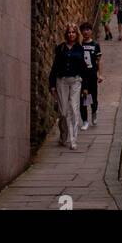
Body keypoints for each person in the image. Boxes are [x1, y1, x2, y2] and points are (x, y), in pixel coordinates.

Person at [49, 23, 85, 151]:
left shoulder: (80, 49)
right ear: (66, 34)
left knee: (74, 110)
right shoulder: (60, 48)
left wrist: (85, 87)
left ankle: (73, 140)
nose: (71, 34)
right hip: (62, 81)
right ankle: (63, 135)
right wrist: (52, 84)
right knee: (63, 112)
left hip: (75, 81)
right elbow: (55, 67)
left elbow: (83, 69)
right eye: (69, 32)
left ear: (76, 34)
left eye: (73, 32)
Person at [79, 22, 102, 129]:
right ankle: (85, 121)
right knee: (83, 98)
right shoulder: (79, 46)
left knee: (93, 98)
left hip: (92, 74)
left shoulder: (95, 45)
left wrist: (99, 74)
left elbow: (98, 61)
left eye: (88, 29)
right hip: (82, 76)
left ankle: (94, 111)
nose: (86, 31)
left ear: (91, 31)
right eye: (84, 29)